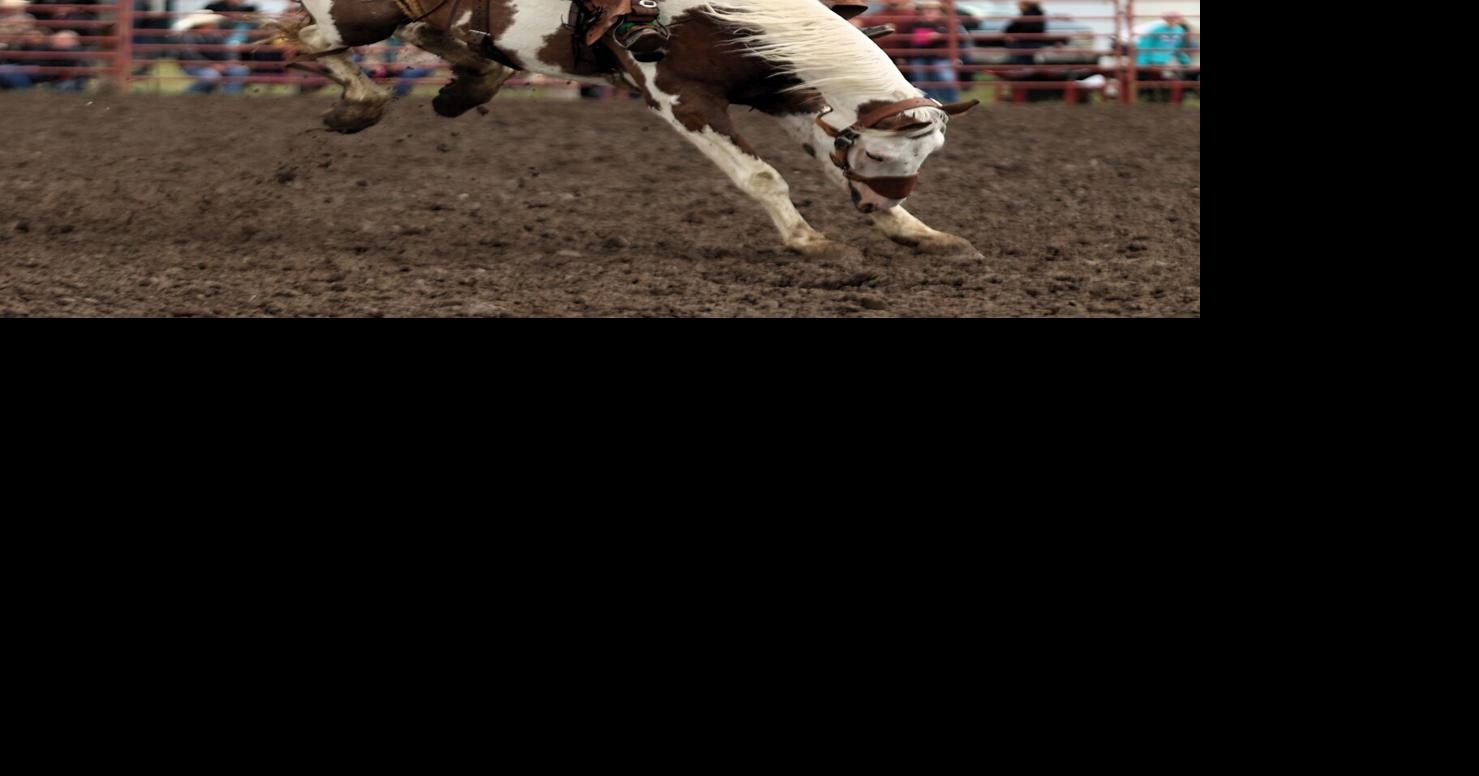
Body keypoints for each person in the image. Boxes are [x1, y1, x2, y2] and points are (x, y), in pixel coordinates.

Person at [905, 1, 967, 103]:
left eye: (933, 10)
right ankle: (930, 102)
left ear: (940, 11)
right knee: (921, 79)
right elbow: (909, 40)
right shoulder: (916, 23)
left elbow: (960, 38)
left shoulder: (947, 23)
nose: (928, 12)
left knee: (945, 78)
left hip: (941, 57)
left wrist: (940, 35)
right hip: (920, 57)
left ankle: (952, 102)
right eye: (926, 10)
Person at [174, 13, 250, 94]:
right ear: (201, 26)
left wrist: (231, 60)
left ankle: (230, 97)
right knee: (211, 75)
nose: (215, 26)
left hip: (217, 65)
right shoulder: (187, 37)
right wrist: (211, 65)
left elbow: (227, 50)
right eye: (211, 24)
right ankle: (189, 94)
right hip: (194, 66)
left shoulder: (216, 35)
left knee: (239, 71)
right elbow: (190, 56)